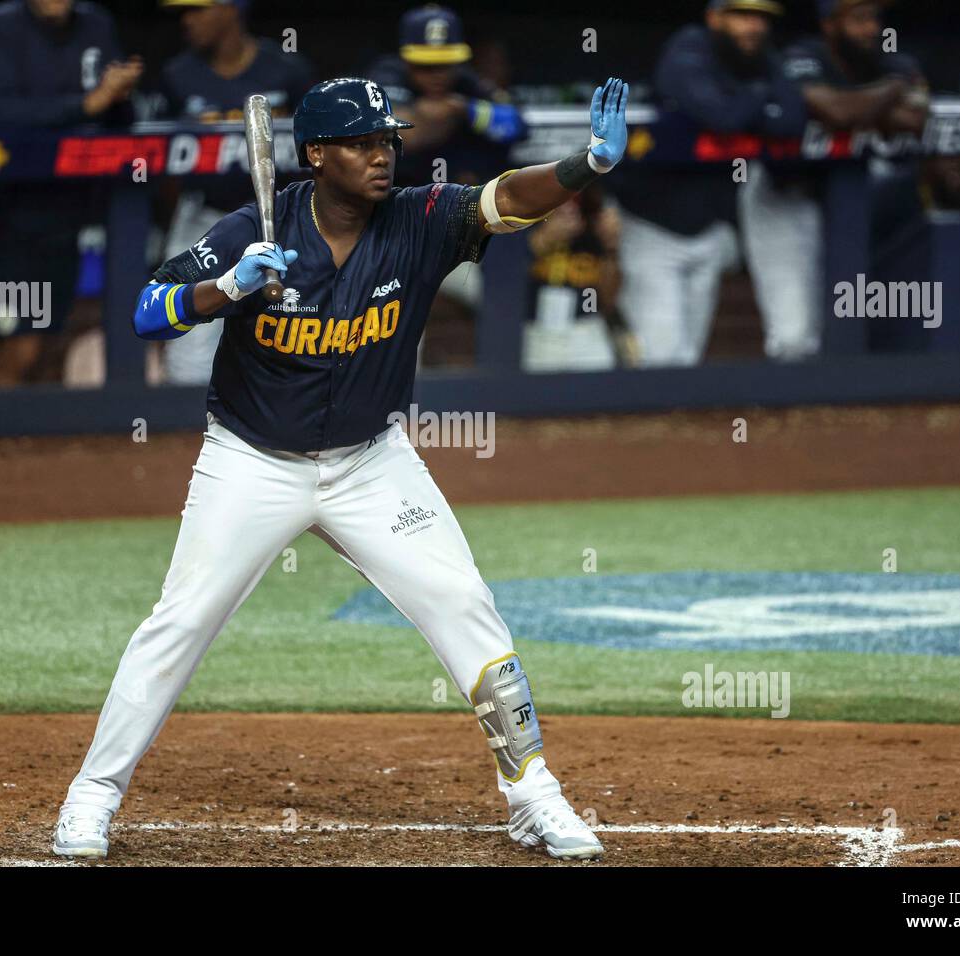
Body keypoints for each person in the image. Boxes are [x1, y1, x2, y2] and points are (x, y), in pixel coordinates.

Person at [52, 76, 632, 862]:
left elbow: (502, 201)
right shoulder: (254, 228)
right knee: (179, 624)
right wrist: (226, 287)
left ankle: (534, 795)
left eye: (387, 141)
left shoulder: (420, 220)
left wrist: (585, 165)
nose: (382, 155)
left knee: (464, 603)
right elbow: (146, 311)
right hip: (251, 461)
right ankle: (92, 796)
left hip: (372, 463)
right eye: (362, 143)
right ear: (317, 154)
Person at [613, 0, 810, 366]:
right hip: (652, 226)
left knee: (687, 358)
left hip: (709, 229)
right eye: (742, 15)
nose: (753, 26)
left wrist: (747, 104)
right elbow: (722, 116)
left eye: (761, 18)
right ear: (715, 17)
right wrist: (759, 99)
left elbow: (792, 122)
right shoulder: (688, 48)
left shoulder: (762, 57)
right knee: (662, 357)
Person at [0, 0, 142, 387]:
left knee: (49, 343)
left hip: (66, 212)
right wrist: (87, 104)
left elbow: (118, 119)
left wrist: (120, 93)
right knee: (20, 345)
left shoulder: (96, 24)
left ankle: (26, 443)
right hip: (7, 217)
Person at [157, 0, 314, 386]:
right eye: (183, 13)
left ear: (231, 10)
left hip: (280, 221)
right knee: (189, 348)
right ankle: (188, 437)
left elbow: (316, 152)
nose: (187, 21)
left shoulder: (287, 70)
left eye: (197, 9)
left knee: (296, 326)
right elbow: (159, 160)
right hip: (206, 217)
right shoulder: (177, 75)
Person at [366, 5, 526, 362]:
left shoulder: (465, 85)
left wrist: (464, 110)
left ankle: (502, 401)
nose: (437, 74)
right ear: (406, 56)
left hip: (454, 231)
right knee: (392, 327)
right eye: (425, 64)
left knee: (502, 295)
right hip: (394, 230)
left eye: (445, 63)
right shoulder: (385, 75)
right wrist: (433, 116)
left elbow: (517, 124)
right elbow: (407, 131)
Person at [782, 0, 929, 250]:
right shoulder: (803, 55)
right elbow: (838, 112)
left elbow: (915, 120)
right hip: (791, 197)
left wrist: (856, 109)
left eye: (874, 19)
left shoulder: (893, 62)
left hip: (870, 200)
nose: (871, 29)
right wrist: (893, 90)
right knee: (798, 290)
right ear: (829, 25)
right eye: (859, 19)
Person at [523, 185, 639, 371]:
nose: (568, 206)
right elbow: (501, 284)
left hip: (586, 323)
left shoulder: (596, 223)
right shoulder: (524, 218)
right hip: (536, 328)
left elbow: (608, 300)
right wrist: (542, 240)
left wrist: (611, 248)